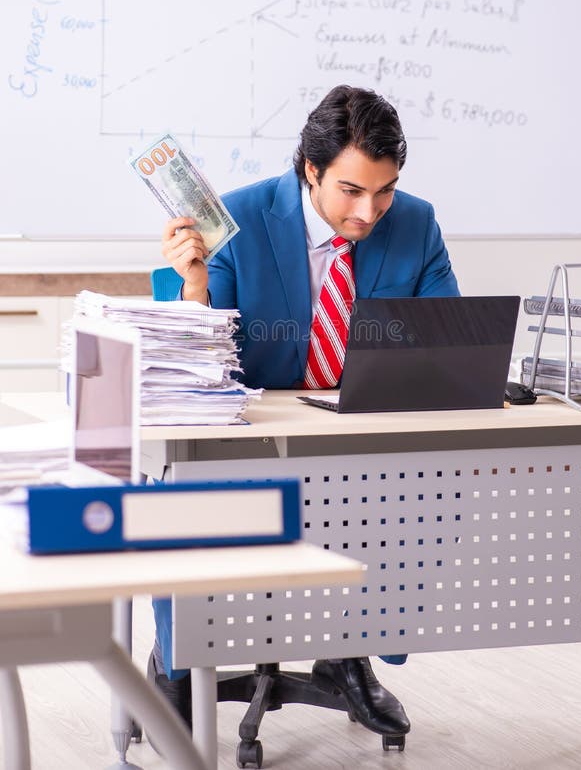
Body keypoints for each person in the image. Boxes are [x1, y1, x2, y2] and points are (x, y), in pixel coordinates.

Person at [151, 84, 460, 740]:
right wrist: (195, 285)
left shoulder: (415, 221)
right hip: (245, 434)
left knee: (426, 490)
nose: (370, 211)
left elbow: (447, 336)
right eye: (351, 191)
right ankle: (176, 668)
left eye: (385, 190)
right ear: (310, 170)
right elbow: (192, 362)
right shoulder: (235, 220)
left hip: (355, 435)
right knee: (180, 495)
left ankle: (347, 652)